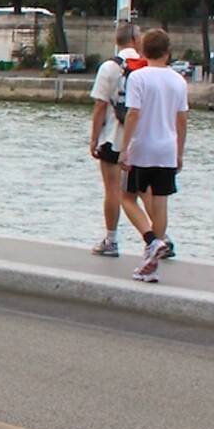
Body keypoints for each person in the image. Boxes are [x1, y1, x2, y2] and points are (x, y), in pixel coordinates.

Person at [121, 29, 190, 283]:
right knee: (160, 203)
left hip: (141, 147)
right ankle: (153, 262)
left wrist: (124, 147)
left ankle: (151, 241)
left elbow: (133, 114)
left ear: (142, 51)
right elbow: (182, 120)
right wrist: (180, 152)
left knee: (127, 197)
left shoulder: (138, 78)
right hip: (167, 149)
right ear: (168, 52)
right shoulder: (178, 81)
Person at [87, 23, 144, 256]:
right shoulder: (146, 67)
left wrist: (93, 139)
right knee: (143, 190)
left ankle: (111, 239)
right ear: (135, 39)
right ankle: (158, 237)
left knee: (112, 189)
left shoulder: (109, 68)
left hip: (112, 136)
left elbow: (100, 105)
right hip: (140, 138)